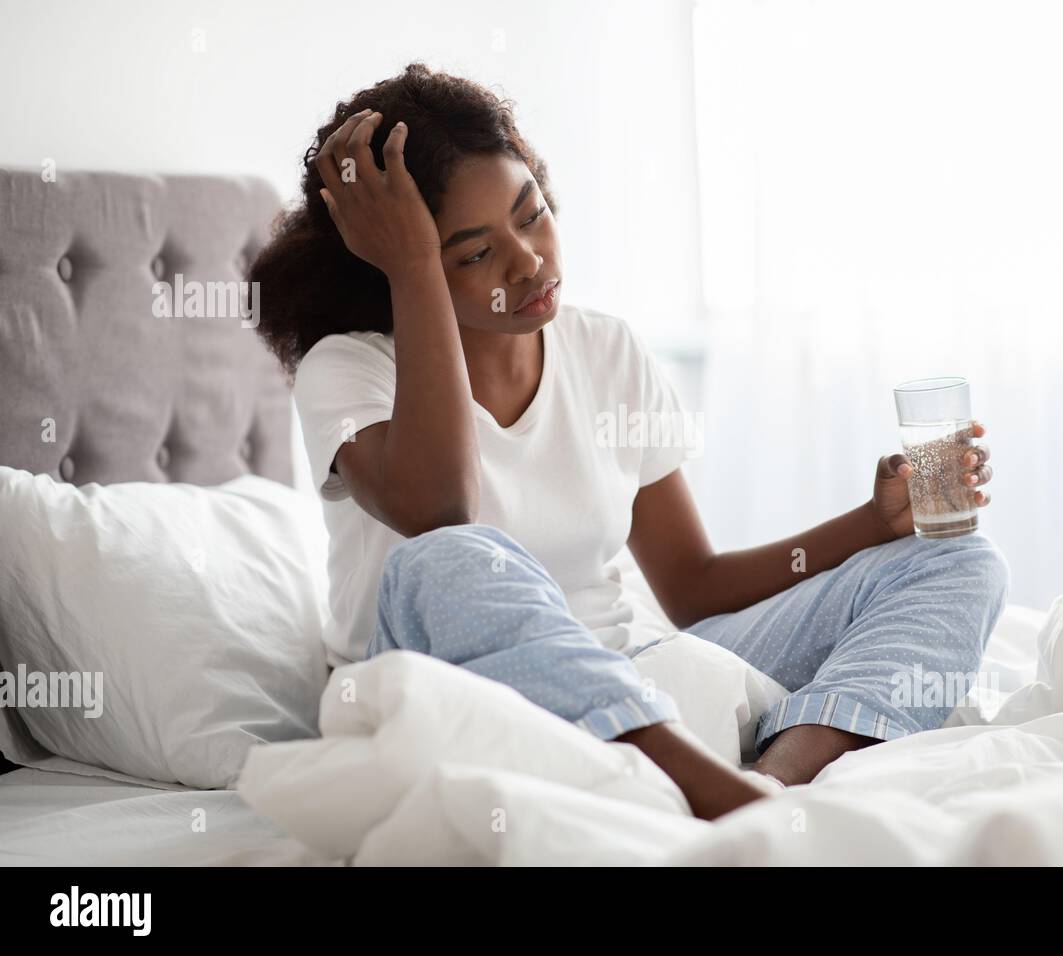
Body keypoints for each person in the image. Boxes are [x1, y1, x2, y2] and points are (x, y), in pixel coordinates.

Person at [251, 64, 1008, 821]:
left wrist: (874, 523)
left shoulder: (607, 350)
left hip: (630, 676)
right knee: (449, 555)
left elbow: (692, 586)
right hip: (453, 680)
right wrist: (412, 265)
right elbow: (442, 504)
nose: (529, 260)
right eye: (474, 254)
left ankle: (776, 781)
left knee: (960, 559)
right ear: (395, 260)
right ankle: (705, 784)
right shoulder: (348, 366)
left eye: (531, 211)